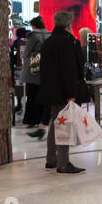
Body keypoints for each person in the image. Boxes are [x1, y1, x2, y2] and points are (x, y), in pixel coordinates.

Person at [39, 11, 88, 174]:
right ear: (69, 25)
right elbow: (69, 71)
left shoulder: (49, 42)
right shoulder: (67, 43)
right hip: (63, 92)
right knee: (64, 127)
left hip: (51, 91)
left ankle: (51, 159)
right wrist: (70, 94)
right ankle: (63, 163)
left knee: (56, 124)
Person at [22, 16, 49, 137]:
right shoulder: (49, 34)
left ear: (34, 25)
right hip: (45, 70)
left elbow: (26, 52)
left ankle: (32, 120)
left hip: (33, 69)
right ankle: (42, 119)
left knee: (31, 95)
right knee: (42, 96)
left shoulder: (33, 36)